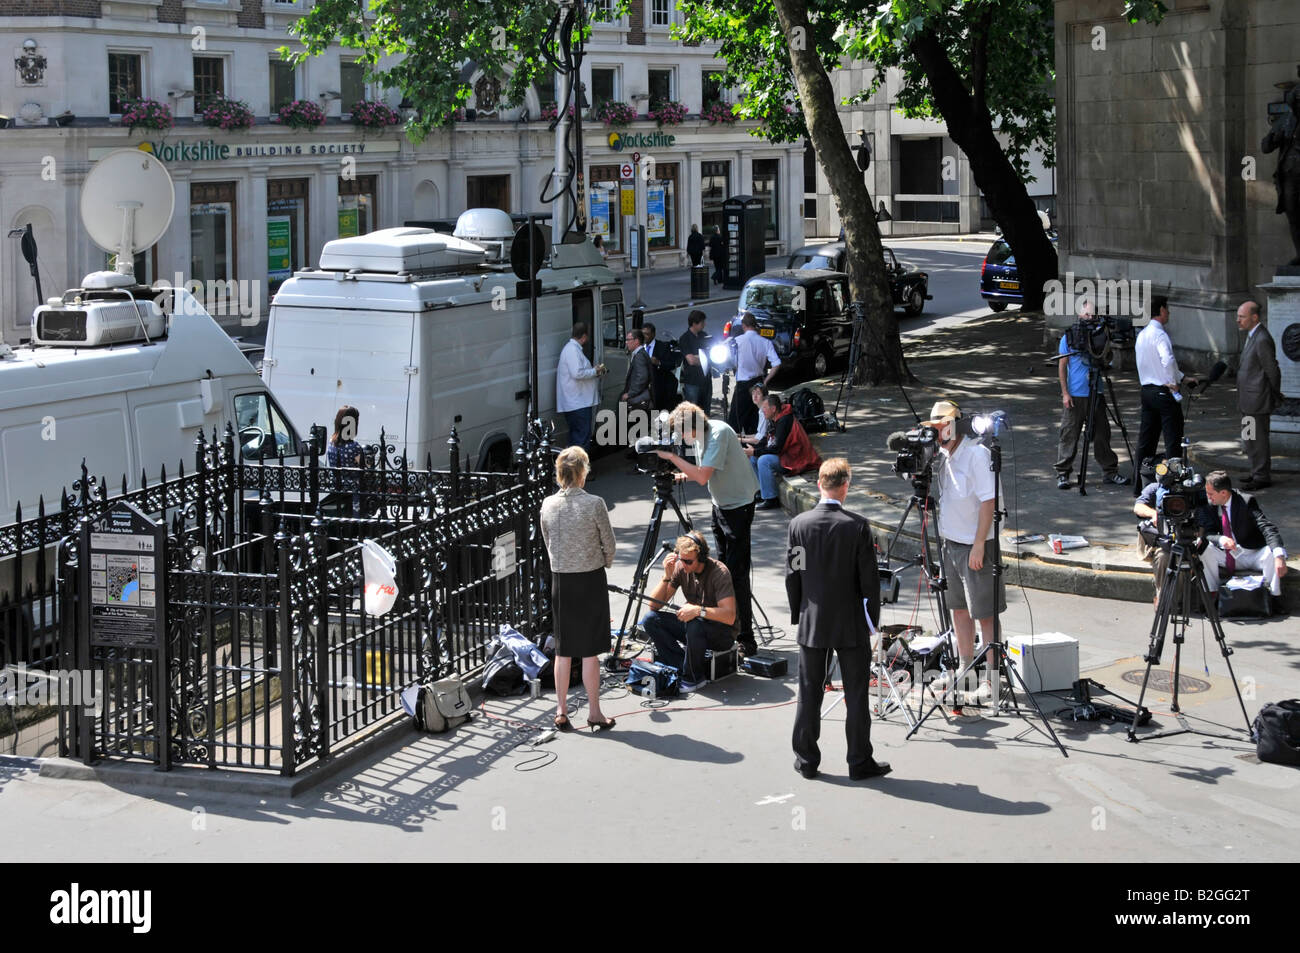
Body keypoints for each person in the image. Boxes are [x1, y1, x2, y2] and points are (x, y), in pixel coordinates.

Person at [787, 458, 891, 781]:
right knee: (856, 694)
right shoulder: (857, 526)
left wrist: (799, 612)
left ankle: (806, 760)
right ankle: (859, 761)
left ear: (819, 483)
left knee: (809, 692)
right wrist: (871, 622)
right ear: (846, 486)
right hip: (850, 623)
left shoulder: (799, 525)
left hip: (813, 621)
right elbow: (869, 582)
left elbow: (794, 575)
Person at [656, 401, 760, 656]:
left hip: (738, 507)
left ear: (691, 426)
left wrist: (672, 458)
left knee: (734, 575)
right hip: (721, 505)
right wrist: (682, 475)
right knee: (720, 571)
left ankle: (745, 638)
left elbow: (703, 476)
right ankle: (723, 627)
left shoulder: (717, 433)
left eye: (681, 432)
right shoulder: (702, 435)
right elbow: (706, 472)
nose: (681, 438)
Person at [925, 399, 1005, 715]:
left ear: (955, 426)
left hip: (975, 544)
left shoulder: (976, 455)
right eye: (934, 428)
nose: (938, 434)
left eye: (942, 427)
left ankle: (992, 679)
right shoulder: (944, 458)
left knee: (984, 613)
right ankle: (965, 668)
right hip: (952, 543)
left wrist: (979, 544)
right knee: (959, 609)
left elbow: (988, 502)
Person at [538, 446, 617, 731]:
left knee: (564, 647)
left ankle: (561, 710)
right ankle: (594, 711)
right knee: (589, 651)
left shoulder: (548, 504)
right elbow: (609, 543)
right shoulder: (594, 503)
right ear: (583, 473)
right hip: (590, 577)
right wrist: (604, 561)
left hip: (561, 579)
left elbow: (547, 541)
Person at [639, 533, 738, 692]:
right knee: (650, 620)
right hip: (695, 627)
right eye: (681, 559)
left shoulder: (720, 572)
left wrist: (698, 611)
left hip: (721, 633)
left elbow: (729, 616)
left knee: (694, 623)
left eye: (688, 561)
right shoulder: (681, 567)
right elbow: (654, 606)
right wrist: (666, 576)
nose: (683, 564)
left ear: (702, 557)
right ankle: (681, 668)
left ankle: (694, 679)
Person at [1055, 299, 1129, 489]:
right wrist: (1065, 393)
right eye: (1086, 314)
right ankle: (1063, 473)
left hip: (1096, 391)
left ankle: (1109, 471)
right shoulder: (1069, 337)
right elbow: (1062, 366)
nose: (1090, 318)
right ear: (1079, 314)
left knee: (1102, 433)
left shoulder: (1100, 336)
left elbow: (1107, 360)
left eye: (1093, 315)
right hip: (1076, 394)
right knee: (1069, 433)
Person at [1200, 470, 1288, 609]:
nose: (1208, 497)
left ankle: (1274, 597)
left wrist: (1279, 555)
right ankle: (1212, 595)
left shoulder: (1246, 501)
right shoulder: (1209, 505)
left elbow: (1266, 527)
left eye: (1211, 494)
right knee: (1205, 549)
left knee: (1271, 553)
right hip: (1227, 553)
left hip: (1252, 553)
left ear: (1223, 493)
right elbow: (1207, 532)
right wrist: (1221, 539)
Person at [1133, 457, 1213, 606]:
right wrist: (1154, 514)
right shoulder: (1155, 488)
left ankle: (1176, 600)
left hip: (1188, 537)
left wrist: (1200, 535)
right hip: (1164, 542)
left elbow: (1205, 516)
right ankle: (1164, 599)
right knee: (1164, 557)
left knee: (1185, 557)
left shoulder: (1191, 491)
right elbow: (1138, 507)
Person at [1136, 295, 1198, 468]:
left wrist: (1182, 378)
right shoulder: (1160, 335)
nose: (1169, 313)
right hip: (1164, 392)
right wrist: (1173, 383)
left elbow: (1155, 363)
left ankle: (1140, 478)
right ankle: (1174, 477)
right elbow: (1168, 361)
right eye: (1167, 309)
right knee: (1173, 439)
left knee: (1146, 439)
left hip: (1147, 391)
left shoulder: (1142, 335)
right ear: (1162, 310)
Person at [1235, 300, 1283, 490]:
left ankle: (1261, 476)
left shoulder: (1262, 338)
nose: (1238, 320)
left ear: (1254, 317)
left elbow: (1272, 370)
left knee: (1257, 439)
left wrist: (1273, 393)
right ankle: (1256, 470)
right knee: (1250, 437)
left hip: (1257, 400)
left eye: (1242, 316)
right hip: (1248, 399)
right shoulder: (1252, 335)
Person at [745, 394, 821, 509]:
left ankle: (771, 499)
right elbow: (767, 440)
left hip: (794, 458)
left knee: (764, 460)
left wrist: (755, 452)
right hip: (784, 455)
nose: (762, 411)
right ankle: (762, 491)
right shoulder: (774, 418)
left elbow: (776, 447)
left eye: (765, 408)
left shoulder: (784, 420)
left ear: (773, 409)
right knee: (754, 458)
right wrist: (753, 451)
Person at [728, 311, 781, 436]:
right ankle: (755, 444)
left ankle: (738, 445)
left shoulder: (737, 341)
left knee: (735, 421)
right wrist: (766, 381)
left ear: (743, 325)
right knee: (756, 421)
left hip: (743, 385)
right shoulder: (765, 342)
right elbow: (777, 363)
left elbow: (731, 362)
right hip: (759, 383)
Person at [556, 322, 606, 451]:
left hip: (577, 402)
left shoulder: (572, 349)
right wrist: (595, 371)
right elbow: (577, 373)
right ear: (583, 337)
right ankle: (580, 464)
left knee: (576, 438)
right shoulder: (572, 350)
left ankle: (574, 463)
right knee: (581, 438)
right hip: (578, 403)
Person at [327, 405, 364, 513]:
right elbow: (365, 469)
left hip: (336, 488)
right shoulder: (354, 447)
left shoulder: (331, 443)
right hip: (354, 493)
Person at [641, 322, 681, 410]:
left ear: (653, 334)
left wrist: (659, 363)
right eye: (642, 334)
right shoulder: (639, 348)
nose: (644, 337)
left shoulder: (663, 346)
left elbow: (672, 364)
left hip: (659, 388)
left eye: (647, 334)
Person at [621, 327, 653, 434]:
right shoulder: (640, 354)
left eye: (628, 340)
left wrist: (630, 393)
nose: (626, 342)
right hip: (640, 398)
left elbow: (642, 377)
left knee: (636, 429)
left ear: (636, 341)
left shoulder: (639, 356)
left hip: (638, 399)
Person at [677, 310, 710, 409]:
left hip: (706, 381)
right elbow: (691, 360)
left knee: (706, 410)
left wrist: (699, 357)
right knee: (693, 411)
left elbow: (711, 353)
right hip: (693, 382)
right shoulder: (685, 339)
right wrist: (705, 360)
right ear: (694, 323)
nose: (704, 324)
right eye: (702, 322)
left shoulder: (704, 335)